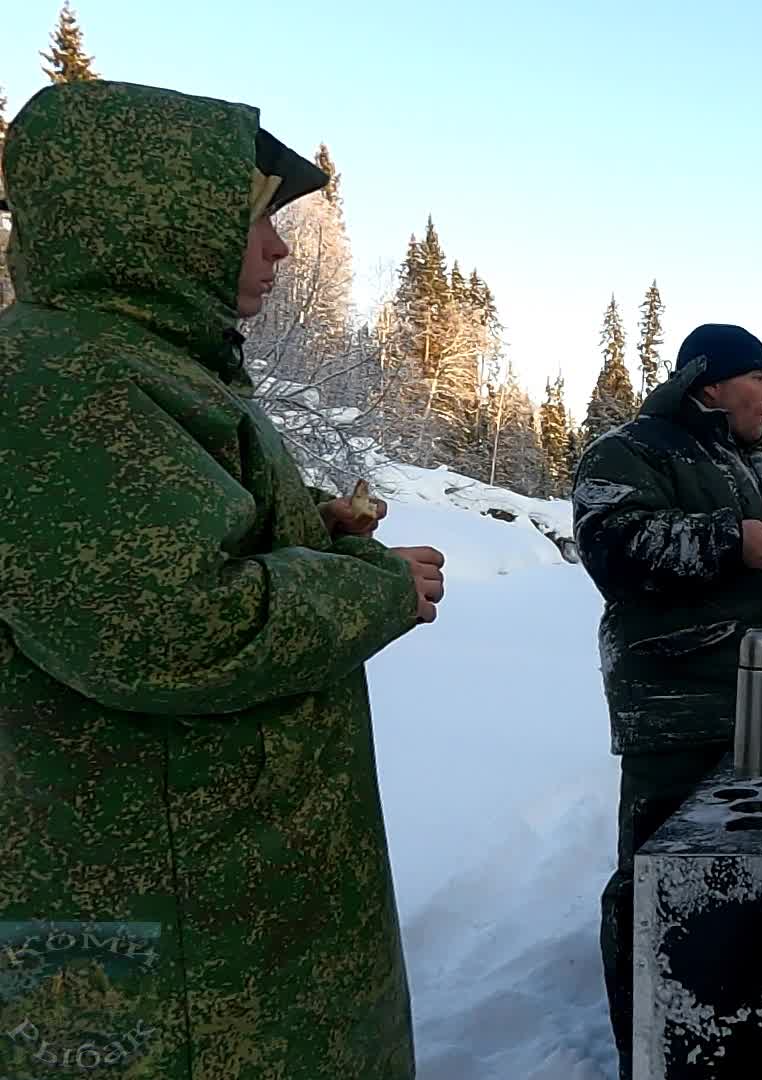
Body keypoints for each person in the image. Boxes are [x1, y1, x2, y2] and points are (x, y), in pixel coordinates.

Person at [0, 81, 446, 1078]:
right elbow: (179, 629)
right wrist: (377, 591)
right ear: (163, 229)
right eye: (254, 224)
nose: (281, 252)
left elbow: (170, 550)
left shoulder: (141, 365)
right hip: (177, 970)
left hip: (227, 924)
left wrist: (308, 528)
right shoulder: (68, 383)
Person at [573, 322, 762, 1079]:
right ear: (710, 384)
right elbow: (614, 550)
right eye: (759, 378)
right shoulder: (631, 451)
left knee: (752, 870)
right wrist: (724, 537)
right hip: (676, 703)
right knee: (655, 877)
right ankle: (645, 1045)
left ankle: (736, 1026)